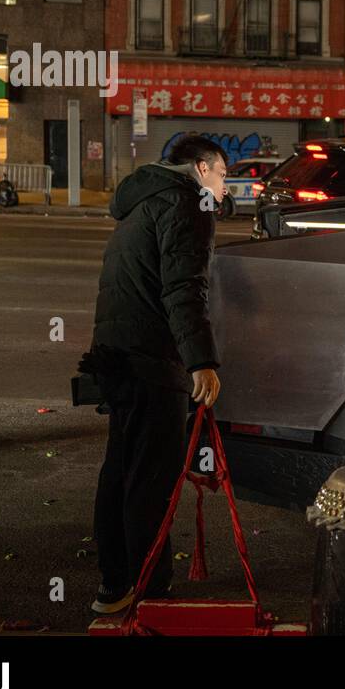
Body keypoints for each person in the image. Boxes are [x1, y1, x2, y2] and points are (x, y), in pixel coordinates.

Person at [83, 134, 227, 614]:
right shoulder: (188, 205)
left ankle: (115, 584)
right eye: (223, 175)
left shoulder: (141, 202)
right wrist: (201, 361)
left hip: (117, 356)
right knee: (151, 482)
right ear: (202, 168)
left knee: (121, 473)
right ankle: (147, 590)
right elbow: (183, 289)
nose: (226, 187)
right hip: (149, 361)